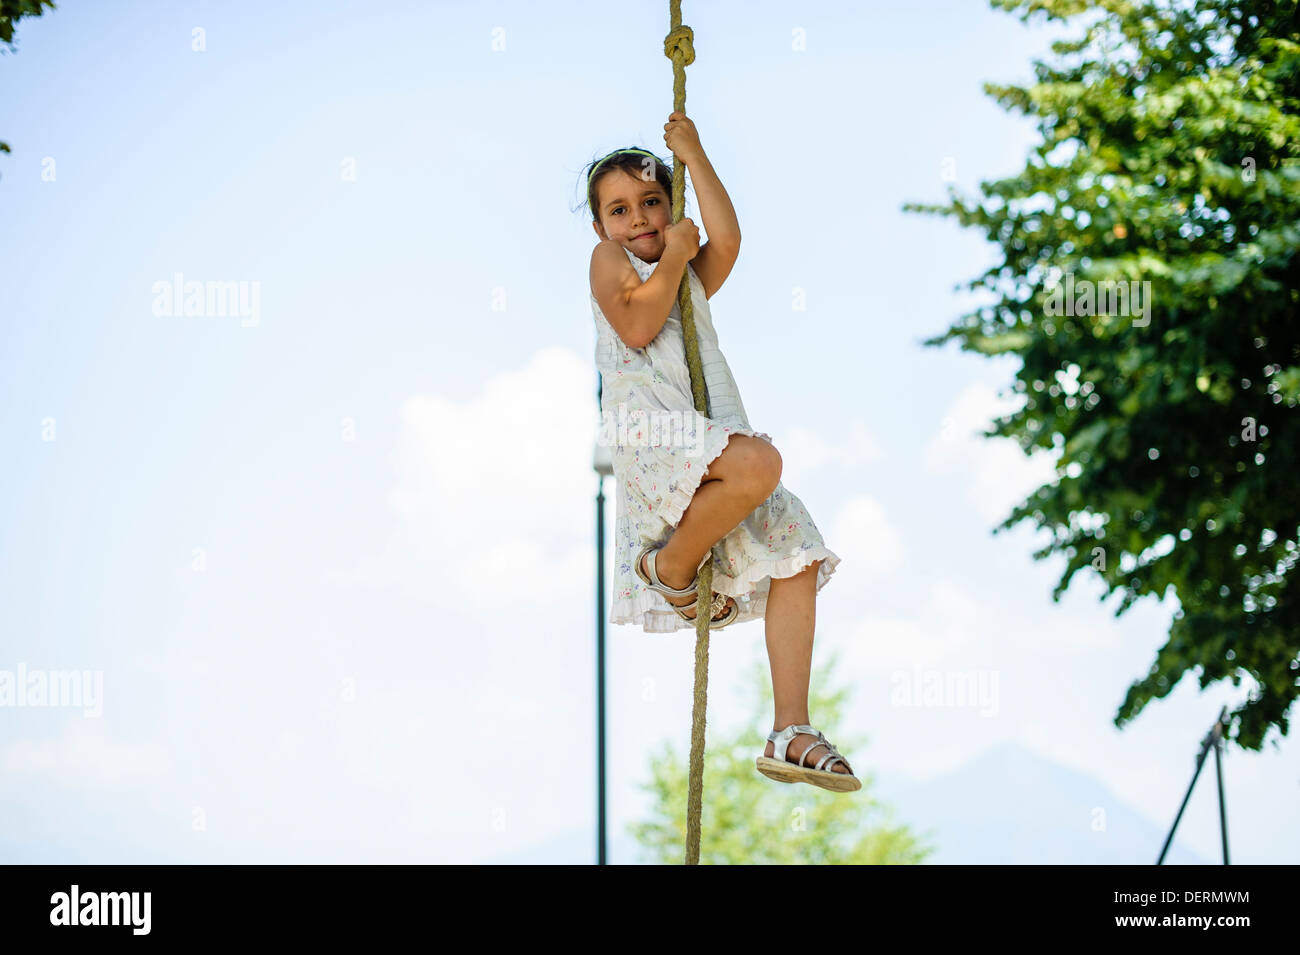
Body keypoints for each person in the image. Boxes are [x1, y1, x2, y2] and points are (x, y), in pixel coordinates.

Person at [584, 111, 858, 791]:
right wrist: (674, 251)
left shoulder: (691, 273)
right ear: (600, 227)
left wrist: (694, 154)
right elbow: (642, 322)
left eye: (653, 200)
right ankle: (671, 565)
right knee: (762, 464)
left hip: (708, 447)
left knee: (796, 546)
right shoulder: (610, 262)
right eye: (620, 209)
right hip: (657, 436)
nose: (639, 217)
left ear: (674, 204)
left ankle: (791, 727)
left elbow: (729, 239)